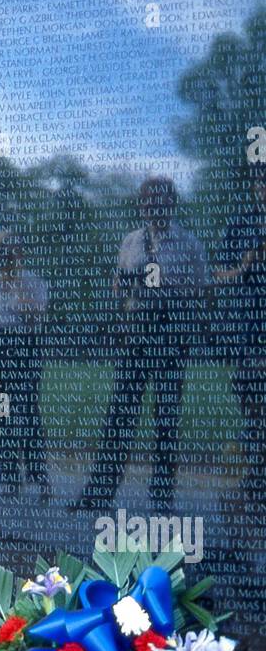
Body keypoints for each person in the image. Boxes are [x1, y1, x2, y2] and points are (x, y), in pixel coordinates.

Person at [72, 177, 207, 513]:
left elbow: (201, 291)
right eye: (149, 200)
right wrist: (126, 298)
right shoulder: (131, 240)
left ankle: (161, 496)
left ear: (172, 204)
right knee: (120, 412)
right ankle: (100, 491)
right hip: (136, 333)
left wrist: (173, 306)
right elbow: (118, 285)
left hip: (171, 334)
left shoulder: (189, 243)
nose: (154, 206)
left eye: (161, 200)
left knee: (166, 416)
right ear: (142, 205)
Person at [0, 236, 50, 500]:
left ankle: (38, 476)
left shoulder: (33, 282)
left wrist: (16, 282)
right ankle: (9, 478)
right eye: (0, 251)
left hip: (22, 347)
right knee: (1, 414)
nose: (5, 257)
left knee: (27, 411)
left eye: (9, 251)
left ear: (20, 252)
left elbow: (36, 314)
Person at [215, 162, 266, 505]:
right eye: (261, 183)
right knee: (250, 394)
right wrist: (245, 266)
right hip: (252, 327)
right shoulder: (242, 223)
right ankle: (256, 473)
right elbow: (219, 273)